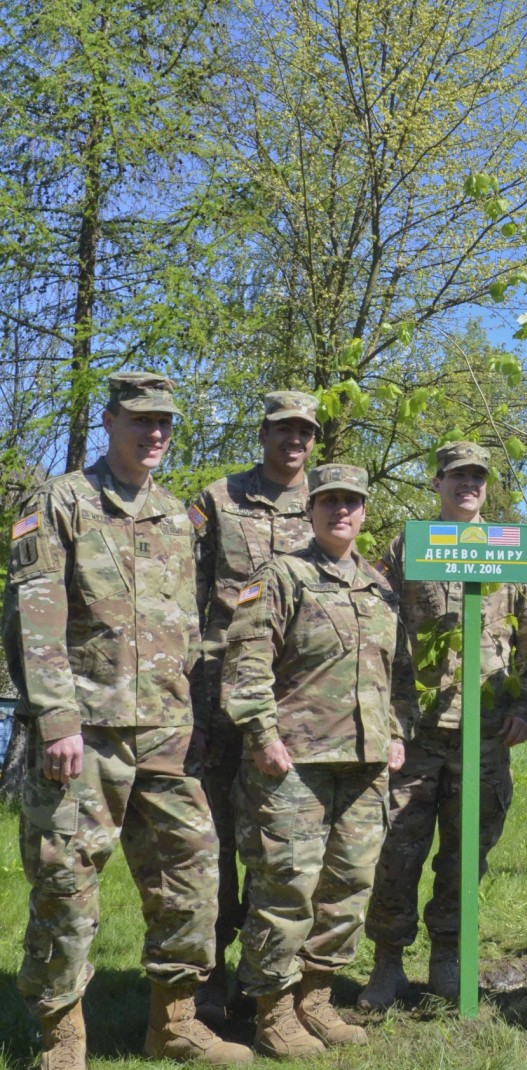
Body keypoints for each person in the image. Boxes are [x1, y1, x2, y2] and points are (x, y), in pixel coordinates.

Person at [2, 371, 251, 1070]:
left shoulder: (180, 518)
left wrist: (200, 720)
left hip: (170, 737)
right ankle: (62, 1037)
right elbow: (35, 615)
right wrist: (55, 720)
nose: (155, 434)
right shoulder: (59, 504)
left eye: (166, 423)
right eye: (140, 421)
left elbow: (194, 631)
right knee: (65, 884)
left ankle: (172, 1021)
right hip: (85, 735)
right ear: (109, 421)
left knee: (192, 875)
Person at [222, 463, 412, 1058]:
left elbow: (396, 673)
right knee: (285, 888)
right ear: (311, 510)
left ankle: (316, 1000)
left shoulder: (380, 587)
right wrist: (262, 736)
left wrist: (397, 731)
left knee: (348, 885)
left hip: (364, 763)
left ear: (363, 512)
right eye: (328, 501)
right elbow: (247, 661)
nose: (341, 512)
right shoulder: (282, 576)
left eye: (351, 502)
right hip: (292, 763)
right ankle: (272, 1012)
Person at [358, 441, 527, 1010]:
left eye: (477, 477)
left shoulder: (509, 549)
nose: (467, 484)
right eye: (456, 476)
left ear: (487, 486)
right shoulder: (406, 546)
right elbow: (377, 631)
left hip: (487, 734)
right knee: (396, 850)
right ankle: (387, 964)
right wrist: (387, 718)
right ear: (438, 483)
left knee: (466, 852)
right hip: (417, 733)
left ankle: (448, 958)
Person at [189, 390, 319, 1022]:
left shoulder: (327, 502)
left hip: (293, 700)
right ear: (264, 432)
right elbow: (185, 595)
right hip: (216, 697)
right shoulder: (220, 499)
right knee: (209, 838)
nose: (294, 441)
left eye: (305, 432)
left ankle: (265, 978)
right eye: (283, 430)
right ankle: (207, 977)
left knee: (276, 840)